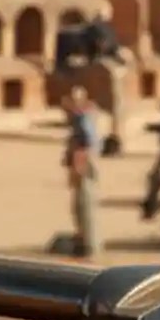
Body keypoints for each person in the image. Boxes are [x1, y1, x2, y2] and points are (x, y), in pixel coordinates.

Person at [62, 87, 101, 259]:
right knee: (80, 205)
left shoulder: (82, 118)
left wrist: (77, 167)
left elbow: (85, 144)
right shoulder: (81, 118)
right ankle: (84, 240)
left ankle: (88, 244)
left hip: (83, 166)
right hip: (82, 165)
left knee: (83, 205)